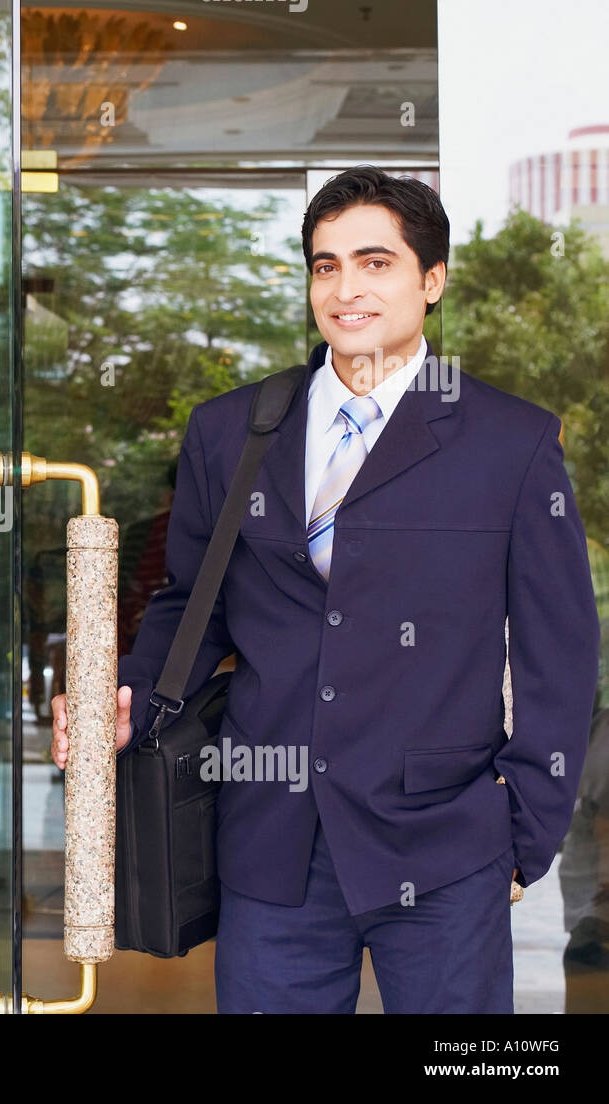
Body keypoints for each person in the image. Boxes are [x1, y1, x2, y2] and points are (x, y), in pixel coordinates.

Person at [52, 166, 600, 1013]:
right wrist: (120, 698)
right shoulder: (229, 430)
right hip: (272, 844)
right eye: (325, 265)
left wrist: (524, 831)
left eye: (376, 263)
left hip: (447, 845)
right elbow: (189, 606)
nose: (346, 289)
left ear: (432, 279)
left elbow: (557, 655)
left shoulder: (512, 444)